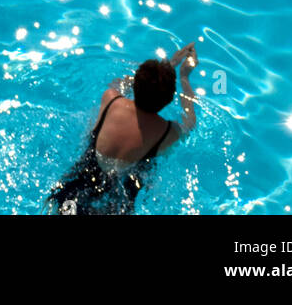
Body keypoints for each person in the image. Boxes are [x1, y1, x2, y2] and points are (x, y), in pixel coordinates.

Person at [47, 43, 199, 215]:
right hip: (118, 200)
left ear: (136, 86)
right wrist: (184, 77)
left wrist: (169, 64)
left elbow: (123, 83)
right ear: (169, 99)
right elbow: (190, 121)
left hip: (77, 185)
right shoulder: (167, 133)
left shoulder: (111, 100)